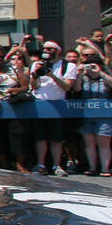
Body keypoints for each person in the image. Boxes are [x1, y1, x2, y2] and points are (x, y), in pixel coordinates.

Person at [29, 40, 77, 175]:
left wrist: (51, 75)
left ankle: (57, 165)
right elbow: (34, 86)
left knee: (56, 138)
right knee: (40, 137)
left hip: (57, 104)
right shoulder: (36, 64)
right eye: (44, 48)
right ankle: (41, 164)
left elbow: (67, 87)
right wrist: (34, 75)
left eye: (50, 49)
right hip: (40, 103)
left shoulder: (68, 66)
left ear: (58, 51)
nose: (46, 51)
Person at [72, 59, 112, 176]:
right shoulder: (84, 78)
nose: (91, 69)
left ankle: (105, 169)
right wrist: (81, 73)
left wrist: (100, 72)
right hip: (86, 114)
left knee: (104, 143)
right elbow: (77, 88)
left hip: (105, 115)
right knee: (89, 143)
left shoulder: (104, 78)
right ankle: (92, 168)